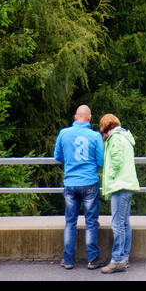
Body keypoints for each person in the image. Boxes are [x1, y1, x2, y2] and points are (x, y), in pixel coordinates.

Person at [53, 104, 105, 270]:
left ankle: (68, 260)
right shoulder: (95, 136)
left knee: (70, 222)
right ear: (89, 119)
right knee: (91, 222)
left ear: (75, 117)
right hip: (89, 183)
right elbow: (101, 161)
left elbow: (58, 156)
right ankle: (92, 260)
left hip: (70, 183)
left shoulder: (64, 133)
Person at [99, 113, 140, 273]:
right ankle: (124, 257)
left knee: (117, 224)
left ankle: (117, 260)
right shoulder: (125, 137)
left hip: (119, 185)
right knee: (124, 222)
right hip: (128, 185)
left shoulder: (115, 139)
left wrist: (108, 179)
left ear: (106, 127)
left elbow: (116, 162)